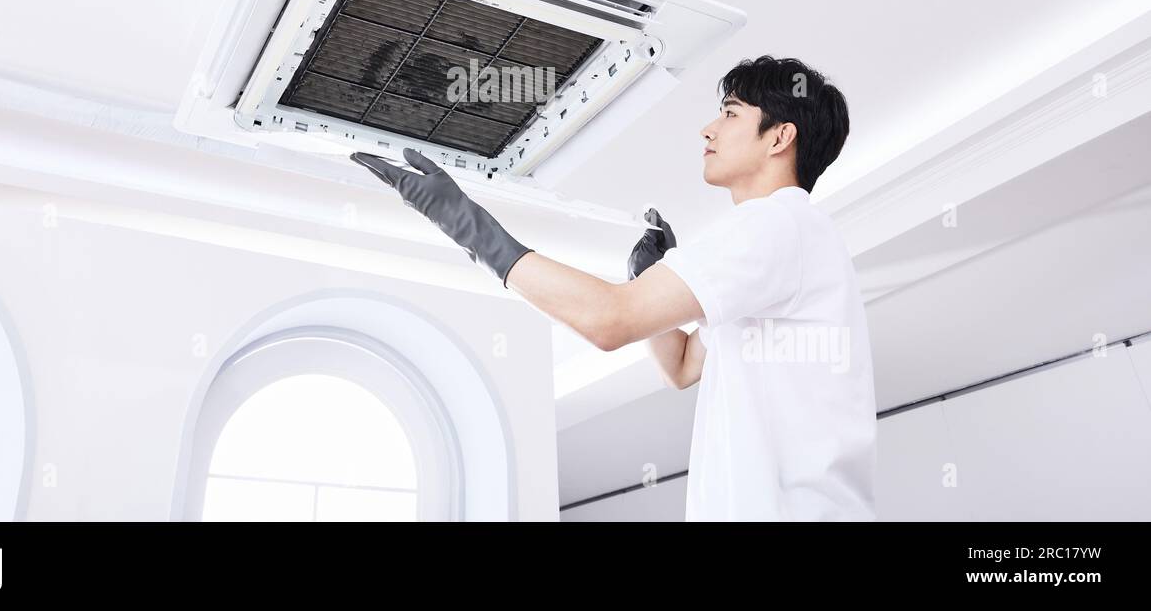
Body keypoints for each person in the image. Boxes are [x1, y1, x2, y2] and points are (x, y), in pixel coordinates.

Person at [351, 55, 876, 521]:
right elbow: (684, 365)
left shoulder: (776, 226)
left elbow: (610, 322)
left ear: (780, 137)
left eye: (731, 113)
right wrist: (648, 280)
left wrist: (472, 229)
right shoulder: (789, 238)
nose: (707, 129)